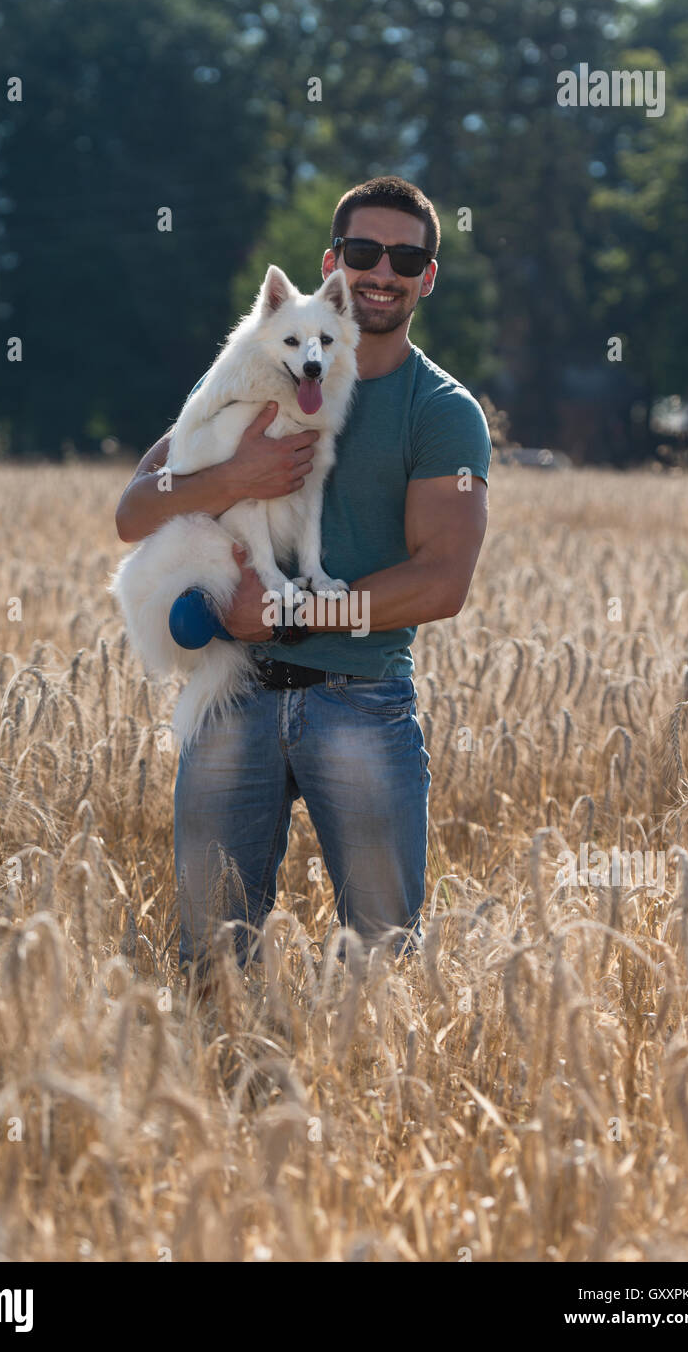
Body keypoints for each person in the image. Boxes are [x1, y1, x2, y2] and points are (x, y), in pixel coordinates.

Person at [115, 176, 491, 983]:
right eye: (362, 252)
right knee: (209, 964)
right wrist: (236, 475)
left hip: (360, 702)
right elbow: (134, 511)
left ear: (428, 276)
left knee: (382, 966)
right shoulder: (250, 370)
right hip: (232, 699)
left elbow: (439, 584)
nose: (380, 272)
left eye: (405, 257)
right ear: (332, 263)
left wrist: (285, 618)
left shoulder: (441, 411)